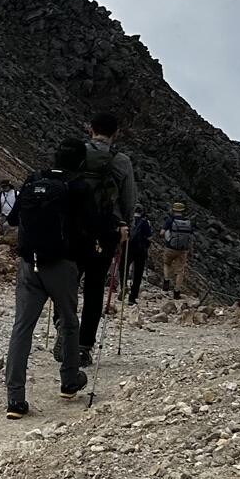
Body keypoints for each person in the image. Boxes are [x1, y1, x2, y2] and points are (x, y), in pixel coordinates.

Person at [5, 140, 97, 418]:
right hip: (61, 265)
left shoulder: (34, 179)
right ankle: (69, 380)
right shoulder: (79, 187)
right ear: (81, 162)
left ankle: (15, 400)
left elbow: (12, 220)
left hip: (28, 263)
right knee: (69, 321)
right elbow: (91, 227)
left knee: (22, 327)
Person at [77, 112, 136, 361]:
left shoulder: (77, 152)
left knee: (68, 279)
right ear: (116, 133)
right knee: (94, 287)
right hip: (106, 232)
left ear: (91, 129)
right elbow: (128, 199)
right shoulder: (121, 161)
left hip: (74, 228)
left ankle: (63, 325)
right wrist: (125, 225)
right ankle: (84, 348)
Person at [161, 202, 194, 297]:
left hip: (170, 248)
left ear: (173, 210)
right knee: (180, 271)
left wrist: (168, 237)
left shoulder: (170, 220)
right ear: (183, 211)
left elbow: (162, 233)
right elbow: (191, 238)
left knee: (167, 264)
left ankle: (166, 281)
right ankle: (177, 291)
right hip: (183, 250)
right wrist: (190, 250)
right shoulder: (188, 222)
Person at [127, 207, 153, 304]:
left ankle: (121, 287)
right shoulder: (145, 222)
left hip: (128, 249)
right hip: (141, 251)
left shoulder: (129, 220)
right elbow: (149, 237)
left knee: (124, 269)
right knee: (137, 274)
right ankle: (132, 297)